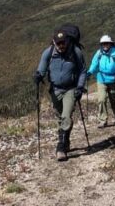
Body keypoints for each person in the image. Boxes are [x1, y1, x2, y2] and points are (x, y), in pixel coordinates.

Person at [34, 28, 86, 161]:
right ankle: (66, 139)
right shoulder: (48, 52)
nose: (61, 46)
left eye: (63, 42)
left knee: (66, 116)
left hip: (70, 89)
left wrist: (80, 87)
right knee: (61, 118)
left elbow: (82, 71)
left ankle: (61, 147)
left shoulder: (75, 52)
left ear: (67, 41)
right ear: (54, 42)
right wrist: (39, 75)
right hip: (55, 90)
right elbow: (42, 67)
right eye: (59, 43)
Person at [87, 35, 115, 127]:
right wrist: (89, 72)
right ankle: (102, 120)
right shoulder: (99, 53)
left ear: (110, 44)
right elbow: (94, 64)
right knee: (101, 99)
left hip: (113, 80)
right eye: (103, 43)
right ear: (101, 44)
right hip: (101, 79)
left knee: (113, 99)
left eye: (107, 43)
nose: (105, 45)